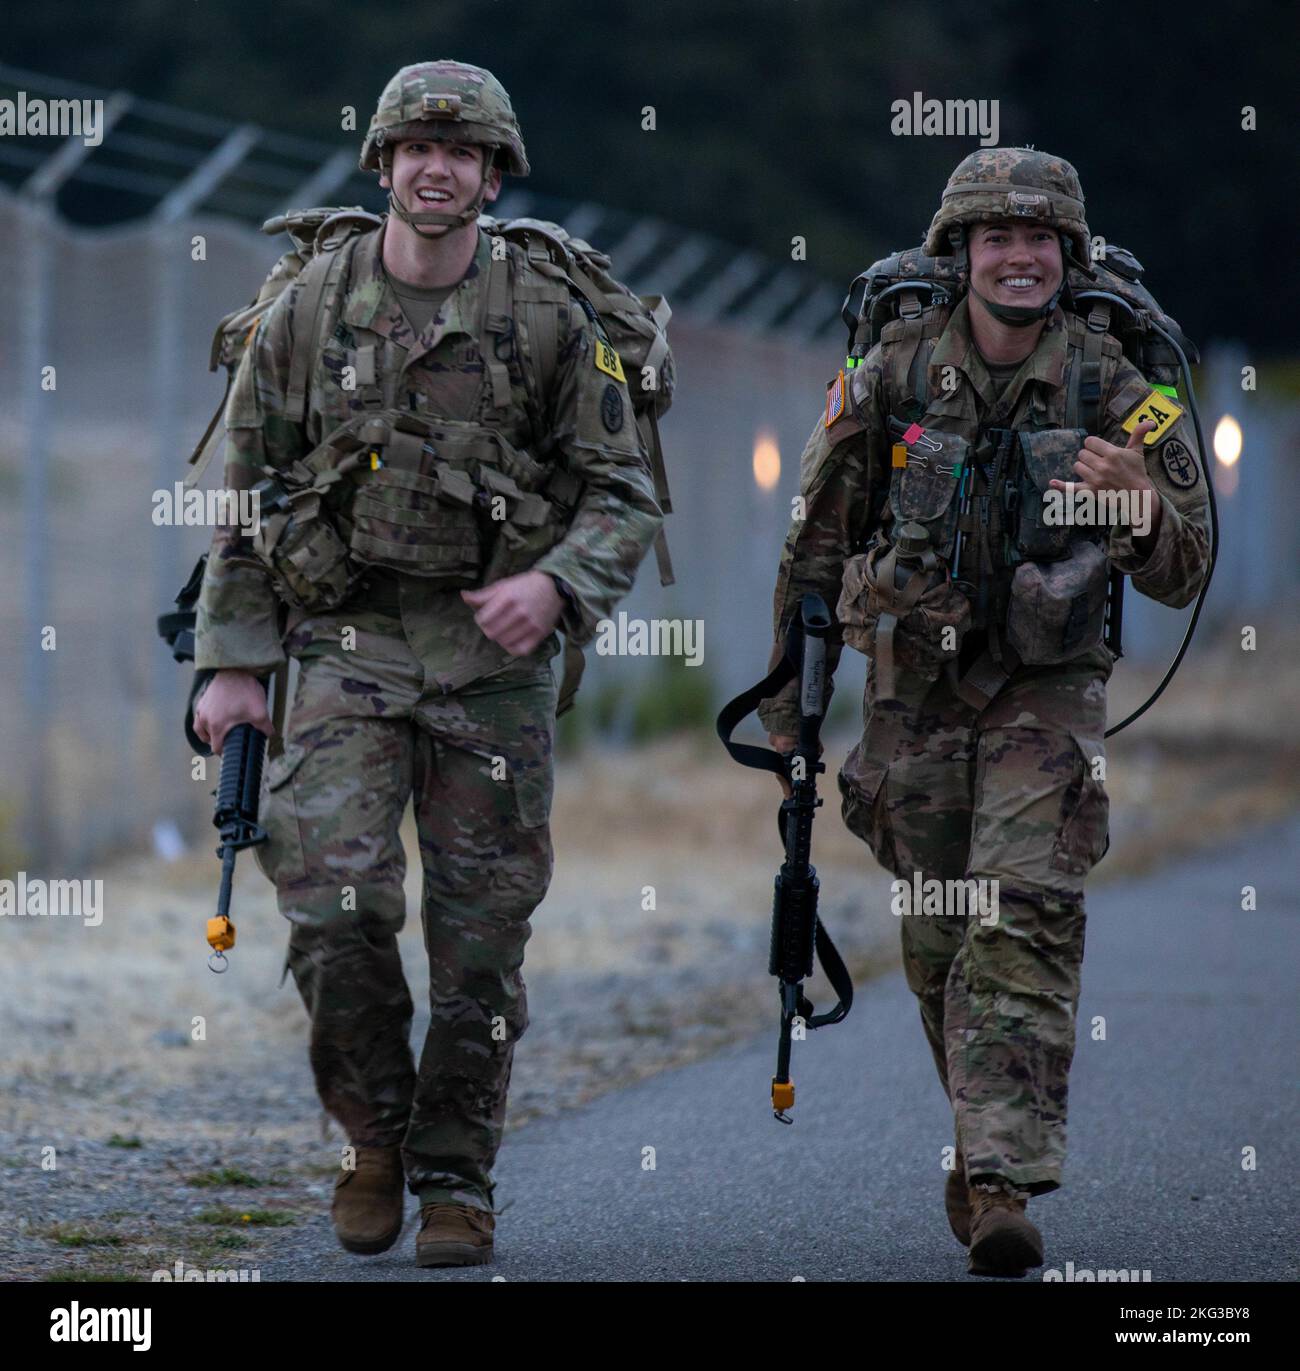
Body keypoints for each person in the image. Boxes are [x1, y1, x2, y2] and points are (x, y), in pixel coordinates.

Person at [191, 59, 662, 1267]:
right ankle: (373, 1141)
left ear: (494, 175)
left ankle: (458, 1177)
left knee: (482, 945)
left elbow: (620, 494)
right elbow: (248, 486)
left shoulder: (546, 316)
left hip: (488, 663)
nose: (439, 167)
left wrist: (555, 583)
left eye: (464, 152)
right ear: (385, 164)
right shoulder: (309, 307)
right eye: (418, 148)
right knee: (331, 906)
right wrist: (231, 666)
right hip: (343, 640)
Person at [757, 148, 1209, 1277]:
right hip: (912, 690)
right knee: (941, 937)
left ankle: (1002, 1177)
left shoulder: (1121, 390)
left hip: (1045, 697)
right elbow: (814, 541)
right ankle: (980, 1135)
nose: (1019, 257)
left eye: (1041, 238)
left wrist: (1142, 509)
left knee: (1024, 912)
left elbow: (1184, 571)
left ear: (1068, 255)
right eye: (996, 238)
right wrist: (786, 708)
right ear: (959, 253)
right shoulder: (892, 373)